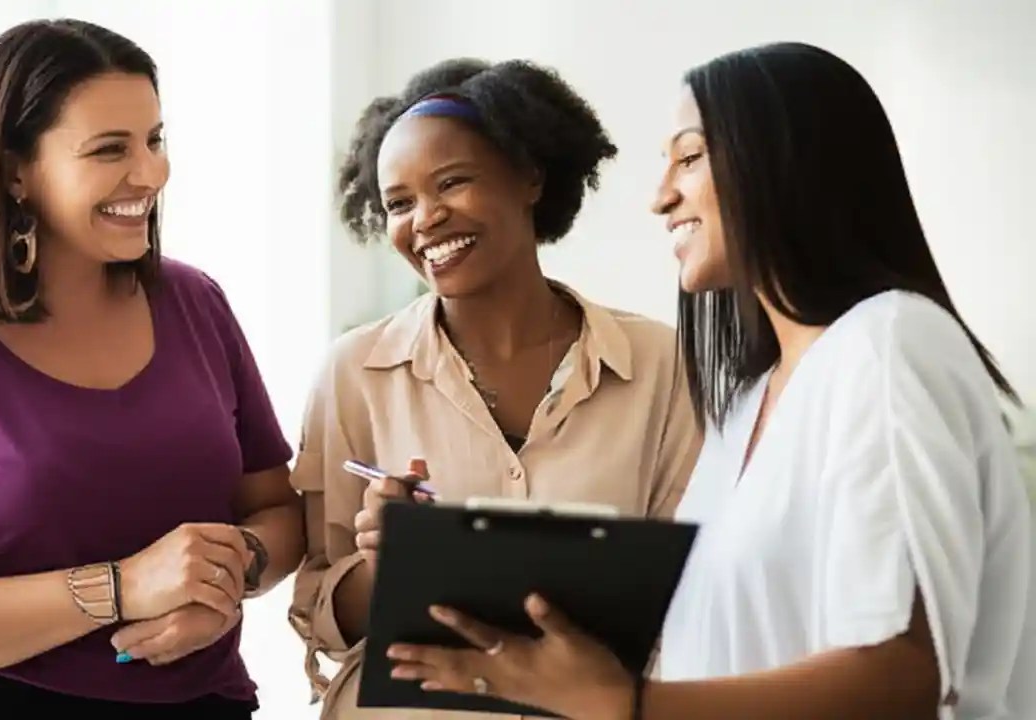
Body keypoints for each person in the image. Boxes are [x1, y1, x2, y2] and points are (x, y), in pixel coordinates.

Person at [383, 41, 1034, 720]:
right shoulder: (747, 403)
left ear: (785, 159)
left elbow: (902, 676)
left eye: (689, 158)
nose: (661, 197)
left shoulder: (888, 343)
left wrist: (630, 704)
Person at [0, 19, 303, 719]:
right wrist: (124, 587)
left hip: (206, 703)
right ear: (16, 170)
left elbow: (276, 510)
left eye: (155, 140)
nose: (150, 173)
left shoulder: (196, 303)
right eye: (110, 150)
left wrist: (223, 583)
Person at [287, 58, 704, 719]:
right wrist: (388, 559)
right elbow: (320, 614)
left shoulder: (663, 366)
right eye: (399, 203)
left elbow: (692, 592)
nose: (425, 218)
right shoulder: (354, 373)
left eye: (451, 182)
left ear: (530, 176)